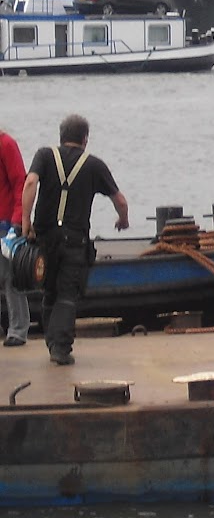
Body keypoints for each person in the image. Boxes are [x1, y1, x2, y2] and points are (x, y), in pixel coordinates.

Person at [20, 114, 130, 366]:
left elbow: (30, 184)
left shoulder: (44, 156)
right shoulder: (94, 165)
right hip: (74, 240)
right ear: (85, 139)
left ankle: (51, 343)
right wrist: (122, 220)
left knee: (49, 290)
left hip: (45, 238)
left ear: (61, 137)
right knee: (67, 295)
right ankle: (60, 348)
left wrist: (26, 222)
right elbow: (120, 201)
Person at [0, 125, 29, 347]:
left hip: (6, 223)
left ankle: (18, 330)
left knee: (12, 277)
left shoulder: (6, 144)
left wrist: (18, 219)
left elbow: (21, 182)